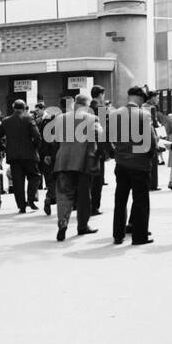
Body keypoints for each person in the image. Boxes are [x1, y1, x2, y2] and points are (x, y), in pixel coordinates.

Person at [50, 93, 101, 241]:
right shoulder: (92, 119)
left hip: (63, 161)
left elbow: (54, 140)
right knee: (84, 196)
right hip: (83, 162)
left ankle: (63, 223)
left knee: (63, 195)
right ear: (86, 105)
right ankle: (82, 226)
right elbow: (98, 136)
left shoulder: (60, 118)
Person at [108, 85, 156, 245]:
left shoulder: (114, 114)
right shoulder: (144, 114)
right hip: (140, 164)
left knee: (120, 199)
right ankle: (139, 236)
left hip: (121, 163)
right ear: (141, 99)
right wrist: (149, 156)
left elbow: (110, 138)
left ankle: (118, 235)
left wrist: (119, 151)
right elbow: (151, 141)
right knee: (140, 200)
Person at [0, 100, 42, 213]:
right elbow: (37, 136)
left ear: (13, 108)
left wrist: (4, 147)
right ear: (25, 107)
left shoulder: (6, 121)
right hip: (29, 154)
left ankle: (21, 206)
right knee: (35, 176)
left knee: (17, 181)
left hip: (13, 156)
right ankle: (31, 199)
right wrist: (34, 147)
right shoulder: (28, 119)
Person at [89, 85, 109, 215]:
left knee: (88, 179)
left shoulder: (86, 107)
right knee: (98, 179)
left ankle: (87, 204)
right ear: (101, 95)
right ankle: (94, 206)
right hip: (98, 147)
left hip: (85, 146)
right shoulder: (100, 108)